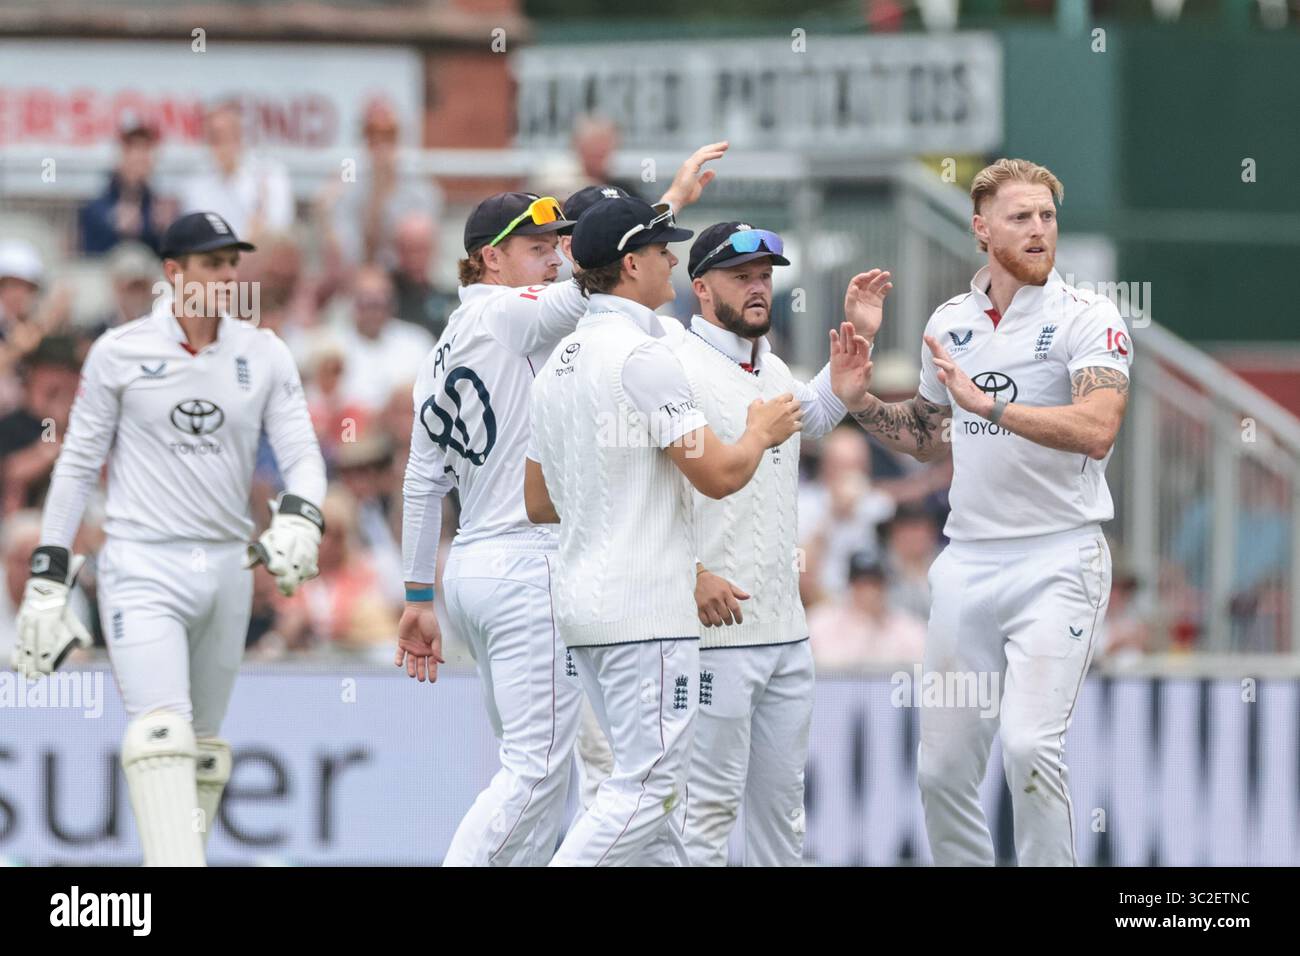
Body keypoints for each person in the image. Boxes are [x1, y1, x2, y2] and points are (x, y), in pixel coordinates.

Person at [394, 143, 726, 869]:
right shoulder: (508, 316)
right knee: (540, 774)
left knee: (570, 784)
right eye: (538, 247)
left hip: (477, 567)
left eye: (557, 244)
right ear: (489, 260)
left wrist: (418, 591)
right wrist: (665, 210)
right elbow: (601, 284)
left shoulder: (440, 348)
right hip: (528, 566)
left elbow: (422, 482)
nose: (554, 258)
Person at [10, 211, 327, 866]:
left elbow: (303, 455)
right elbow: (74, 465)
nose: (226, 276)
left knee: (203, 750)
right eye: (211, 264)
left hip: (227, 565)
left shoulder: (262, 351)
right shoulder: (119, 352)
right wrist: (49, 578)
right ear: (173, 273)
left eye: (232, 263)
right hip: (140, 563)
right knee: (160, 733)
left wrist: (299, 516)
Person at [849, 158, 1132, 866]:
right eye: (1020, 218)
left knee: (1031, 746)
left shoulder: (1087, 315)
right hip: (968, 562)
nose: (1040, 230)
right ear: (981, 230)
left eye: (1047, 216)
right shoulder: (950, 321)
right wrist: (857, 401)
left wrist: (992, 406)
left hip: (1058, 557)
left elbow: (1098, 428)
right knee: (941, 771)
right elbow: (923, 435)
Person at [525, 196, 801, 866]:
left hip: (584, 608)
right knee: (648, 793)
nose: (671, 259)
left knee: (659, 820)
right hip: (646, 612)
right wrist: (760, 431)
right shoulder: (643, 356)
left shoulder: (559, 360)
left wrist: (611, 496)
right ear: (629, 264)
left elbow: (538, 501)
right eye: (659, 251)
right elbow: (720, 475)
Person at [671, 222, 880, 866]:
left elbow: (800, 418)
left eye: (765, 276)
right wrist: (693, 571)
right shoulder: (674, 366)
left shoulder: (772, 364)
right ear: (701, 288)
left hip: (785, 629)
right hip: (713, 631)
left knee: (783, 819)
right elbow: (647, 494)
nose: (759, 288)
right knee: (704, 815)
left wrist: (840, 379)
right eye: (742, 277)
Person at [181, 102, 294, 240]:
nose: (222, 145)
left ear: (240, 136)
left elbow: (279, 231)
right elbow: (195, 237)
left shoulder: (271, 176)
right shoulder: (196, 184)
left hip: (261, 258)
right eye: (214, 138)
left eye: (228, 135)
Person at [0, 335, 81, 514]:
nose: (61, 379)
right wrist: (55, 427)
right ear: (33, 372)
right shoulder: (13, 424)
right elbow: (13, 472)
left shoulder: (79, 423)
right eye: (53, 369)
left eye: (68, 371)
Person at [807, 553, 926, 668]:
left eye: (874, 584)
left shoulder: (909, 629)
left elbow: (922, 672)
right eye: (861, 584)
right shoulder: (819, 622)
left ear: (885, 586)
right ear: (850, 586)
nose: (868, 592)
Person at [79, 116, 171, 256]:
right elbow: (87, 256)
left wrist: (163, 231)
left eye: (145, 149)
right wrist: (113, 229)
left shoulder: (158, 207)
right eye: (132, 148)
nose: (139, 156)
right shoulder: (96, 206)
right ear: (120, 153)